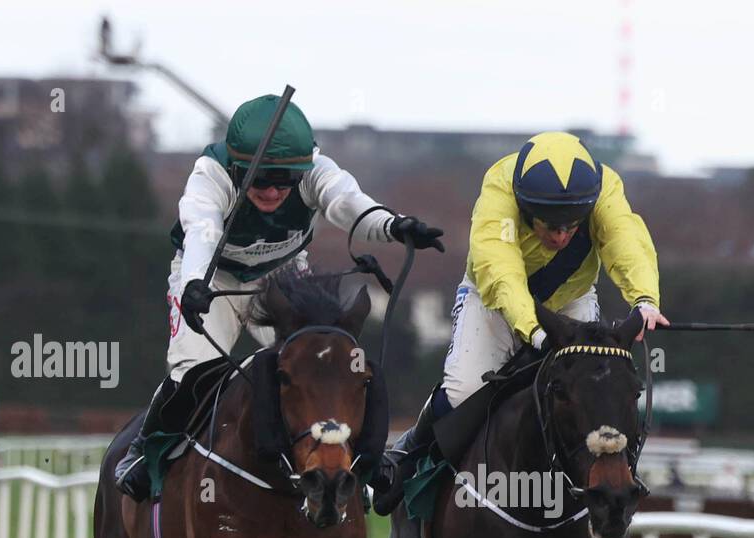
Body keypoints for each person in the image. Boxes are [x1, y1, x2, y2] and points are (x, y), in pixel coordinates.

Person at [114, 93, 444, 500]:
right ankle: (144, 452)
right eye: (260, 180)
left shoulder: (316, 170)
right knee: (192, 373)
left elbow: (347, 203)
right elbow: (203, 231)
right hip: (212, 279)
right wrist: (195, 283)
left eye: (284, 180)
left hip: (280, 277)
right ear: (238, 168)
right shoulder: (210, 174)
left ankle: (374, 462)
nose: (272, 191)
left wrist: (394, 226)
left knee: (332, 366)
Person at [370, 130, 666, 515]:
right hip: (491, 299)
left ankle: (602, 486)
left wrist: (644, 299)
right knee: (463, 390)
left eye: (571, 227)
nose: (561, 237)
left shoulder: (604, 187)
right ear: (527, 209)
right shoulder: (499, 188)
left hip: (570, 301)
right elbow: (502, 275)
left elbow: (625, 242)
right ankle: (408, 453)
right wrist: (538, 333)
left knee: (592, 391)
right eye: (550, 227)